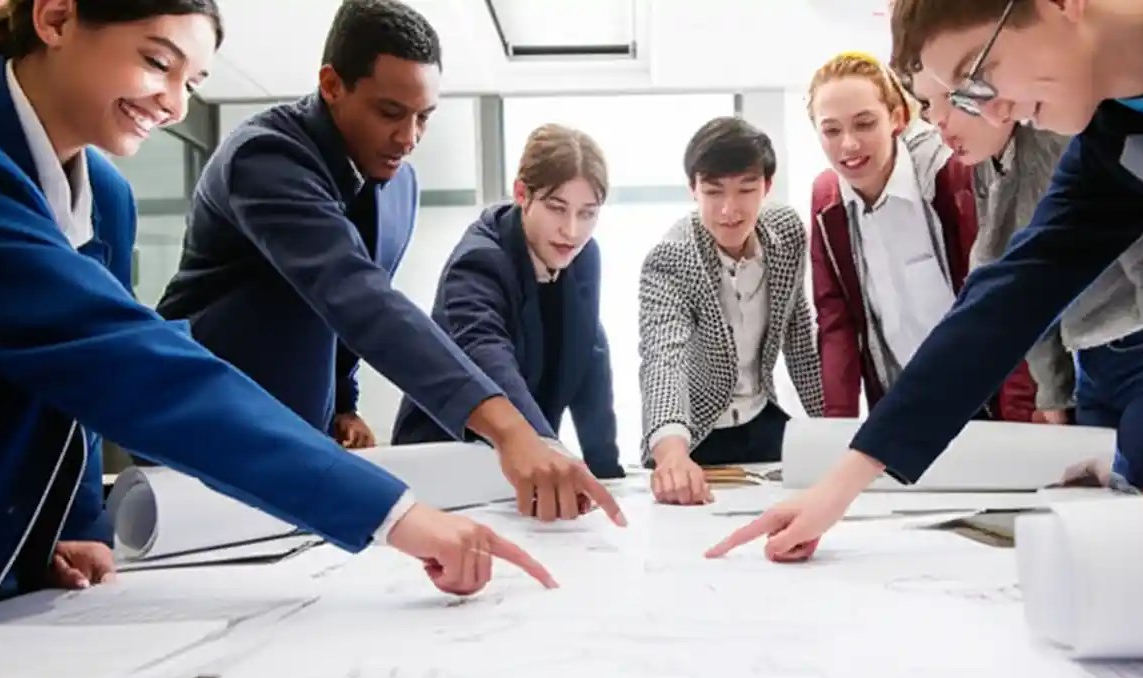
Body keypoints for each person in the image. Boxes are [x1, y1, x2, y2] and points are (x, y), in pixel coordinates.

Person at [0, 0, 564, 616]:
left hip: (21, 551)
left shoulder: (107, 196)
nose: (174, 105)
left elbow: (78, 385)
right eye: (157, 63)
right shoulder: (266, 154)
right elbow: (124, 359)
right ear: (57, 18)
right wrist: (397, 512)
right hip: (203, 442)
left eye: (192, 83)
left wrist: (80, 518)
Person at [706, 0, 1143, 562]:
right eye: (961, 96)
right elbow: (1000, 305)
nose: (991, 113)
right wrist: (837, 486)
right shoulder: (1110, 140)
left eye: (977, 74)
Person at [154, 0, 623, 525]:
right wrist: (514, 431)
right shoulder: (265, 158)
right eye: (390, 113)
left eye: (424, 116)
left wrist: (343, 403)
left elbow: (347, 309)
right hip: (199, 433)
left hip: (296, 448)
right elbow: (356, 296)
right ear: (332, 85)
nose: (410, 138)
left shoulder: (399, 184)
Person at [909, 68, 1143, 494]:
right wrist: (1054, 393)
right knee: (1106, 536)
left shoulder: (1065, 140)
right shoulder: (989, 165)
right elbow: (1019, 294)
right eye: (926, 105)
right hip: (1093, 369)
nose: (937, 119)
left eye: (951, 98)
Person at [392, 124, 626, 489]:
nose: (572, 231)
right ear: (522, 193)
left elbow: (589, 351)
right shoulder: (478, 262)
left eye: (587, 213)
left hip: (527, 464)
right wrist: (551, 453)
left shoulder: (583, 256)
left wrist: (606, 471)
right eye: (556, 208)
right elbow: (490, 360)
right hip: (448, 470)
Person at [806, 51, 1035, 421]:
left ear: (896, 118)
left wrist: (1022, 413)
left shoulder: (951, 174)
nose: (848, 144)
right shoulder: (827, 201)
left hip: (987, 400)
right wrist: (838, 425)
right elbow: (836, 321)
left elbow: (1004, 299)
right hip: (904, 409)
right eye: (831, 130)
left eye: (864, 124)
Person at [639, 116, 825, 506]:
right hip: (698, 432)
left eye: (746, 190)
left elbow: (798, 332)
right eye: (713, 192)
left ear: (767, 187)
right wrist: (672, 454)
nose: (729, 209)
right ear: (693, 190)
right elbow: (663, 359)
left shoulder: (787, 232)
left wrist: (833, 428)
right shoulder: (671, 258)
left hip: (764, 417)